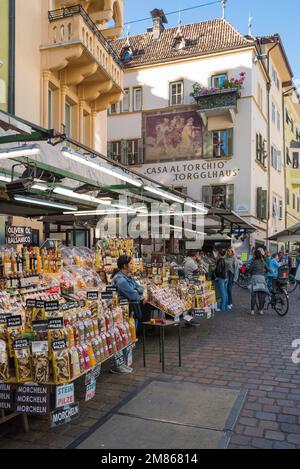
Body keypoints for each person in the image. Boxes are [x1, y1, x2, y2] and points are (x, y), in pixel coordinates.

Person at [111, 255, 146, 374]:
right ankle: (118, 365)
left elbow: (140, 288)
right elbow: (134, 295)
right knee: (122, 338)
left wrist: (138, 291)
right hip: (122, 314)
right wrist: (138, 293)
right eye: (131, 264)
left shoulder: (128, 277)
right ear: (125, 266)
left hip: (130, 312)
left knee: (129, 338)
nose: (133, 265)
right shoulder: (120, 279)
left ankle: (124, 363)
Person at [249, 249, 270, 316]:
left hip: (254, 278)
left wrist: (251, 272)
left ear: (255, 255)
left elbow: (250, 270)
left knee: (253, 296)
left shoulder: (253, 262)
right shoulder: (263, 261)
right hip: (262, 279)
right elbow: (268, 269)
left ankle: (252, 310)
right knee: (261, 296)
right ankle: (260, 310)